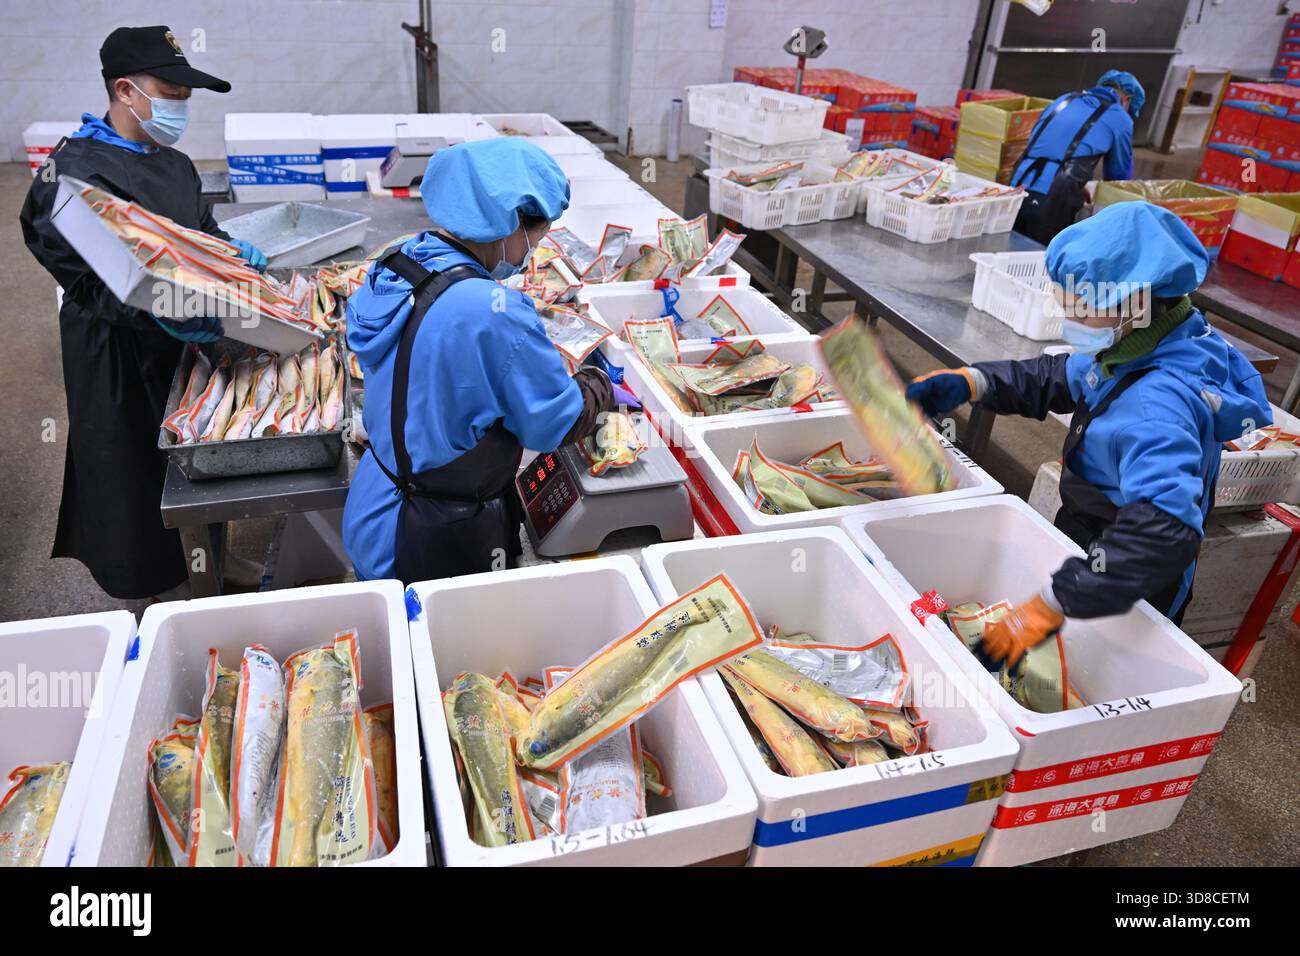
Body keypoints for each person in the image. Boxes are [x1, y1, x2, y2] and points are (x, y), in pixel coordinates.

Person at [907, 202, 1270, 666]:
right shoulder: (1142, 344)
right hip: (1092, 541)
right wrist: (974, 382)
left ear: (1133, 303)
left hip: (1134, 581)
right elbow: (1059, 376)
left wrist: (1055, 603)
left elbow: (1162, 534)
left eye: (1081, 305)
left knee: (1093, 668)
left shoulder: (1158, 408)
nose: (1067, 315)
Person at [20, 26, 266, 601]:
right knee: (133, 474)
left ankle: (211, 562)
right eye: (171, 92)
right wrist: (162, 313)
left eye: (186, 96)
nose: (181, 105)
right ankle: (159, 601)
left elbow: (198, 231)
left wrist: (229, 252)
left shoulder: (173, 163)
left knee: (199, 456)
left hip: (188, 339)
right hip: (119, 355)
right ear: (126, 91)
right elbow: (85, 279)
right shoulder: (71, 173)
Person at [342, 138, 629, 583]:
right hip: (428, 536)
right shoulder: (493, 313)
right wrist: (597, 383)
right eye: (538, 234)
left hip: (373, 506)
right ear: (511, 224)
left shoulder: (401, 261)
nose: (536, 246)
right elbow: (552, 425)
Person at [1010, 70, 1144, 245]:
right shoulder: (1120, 117)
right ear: (1127, 99)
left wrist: (1080, 185)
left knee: (1006, 254)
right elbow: (1119, 178)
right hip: (1053, 200)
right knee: (1043, 261)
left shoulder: (1065, 99)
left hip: (1015, 188)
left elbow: (1050, 147)